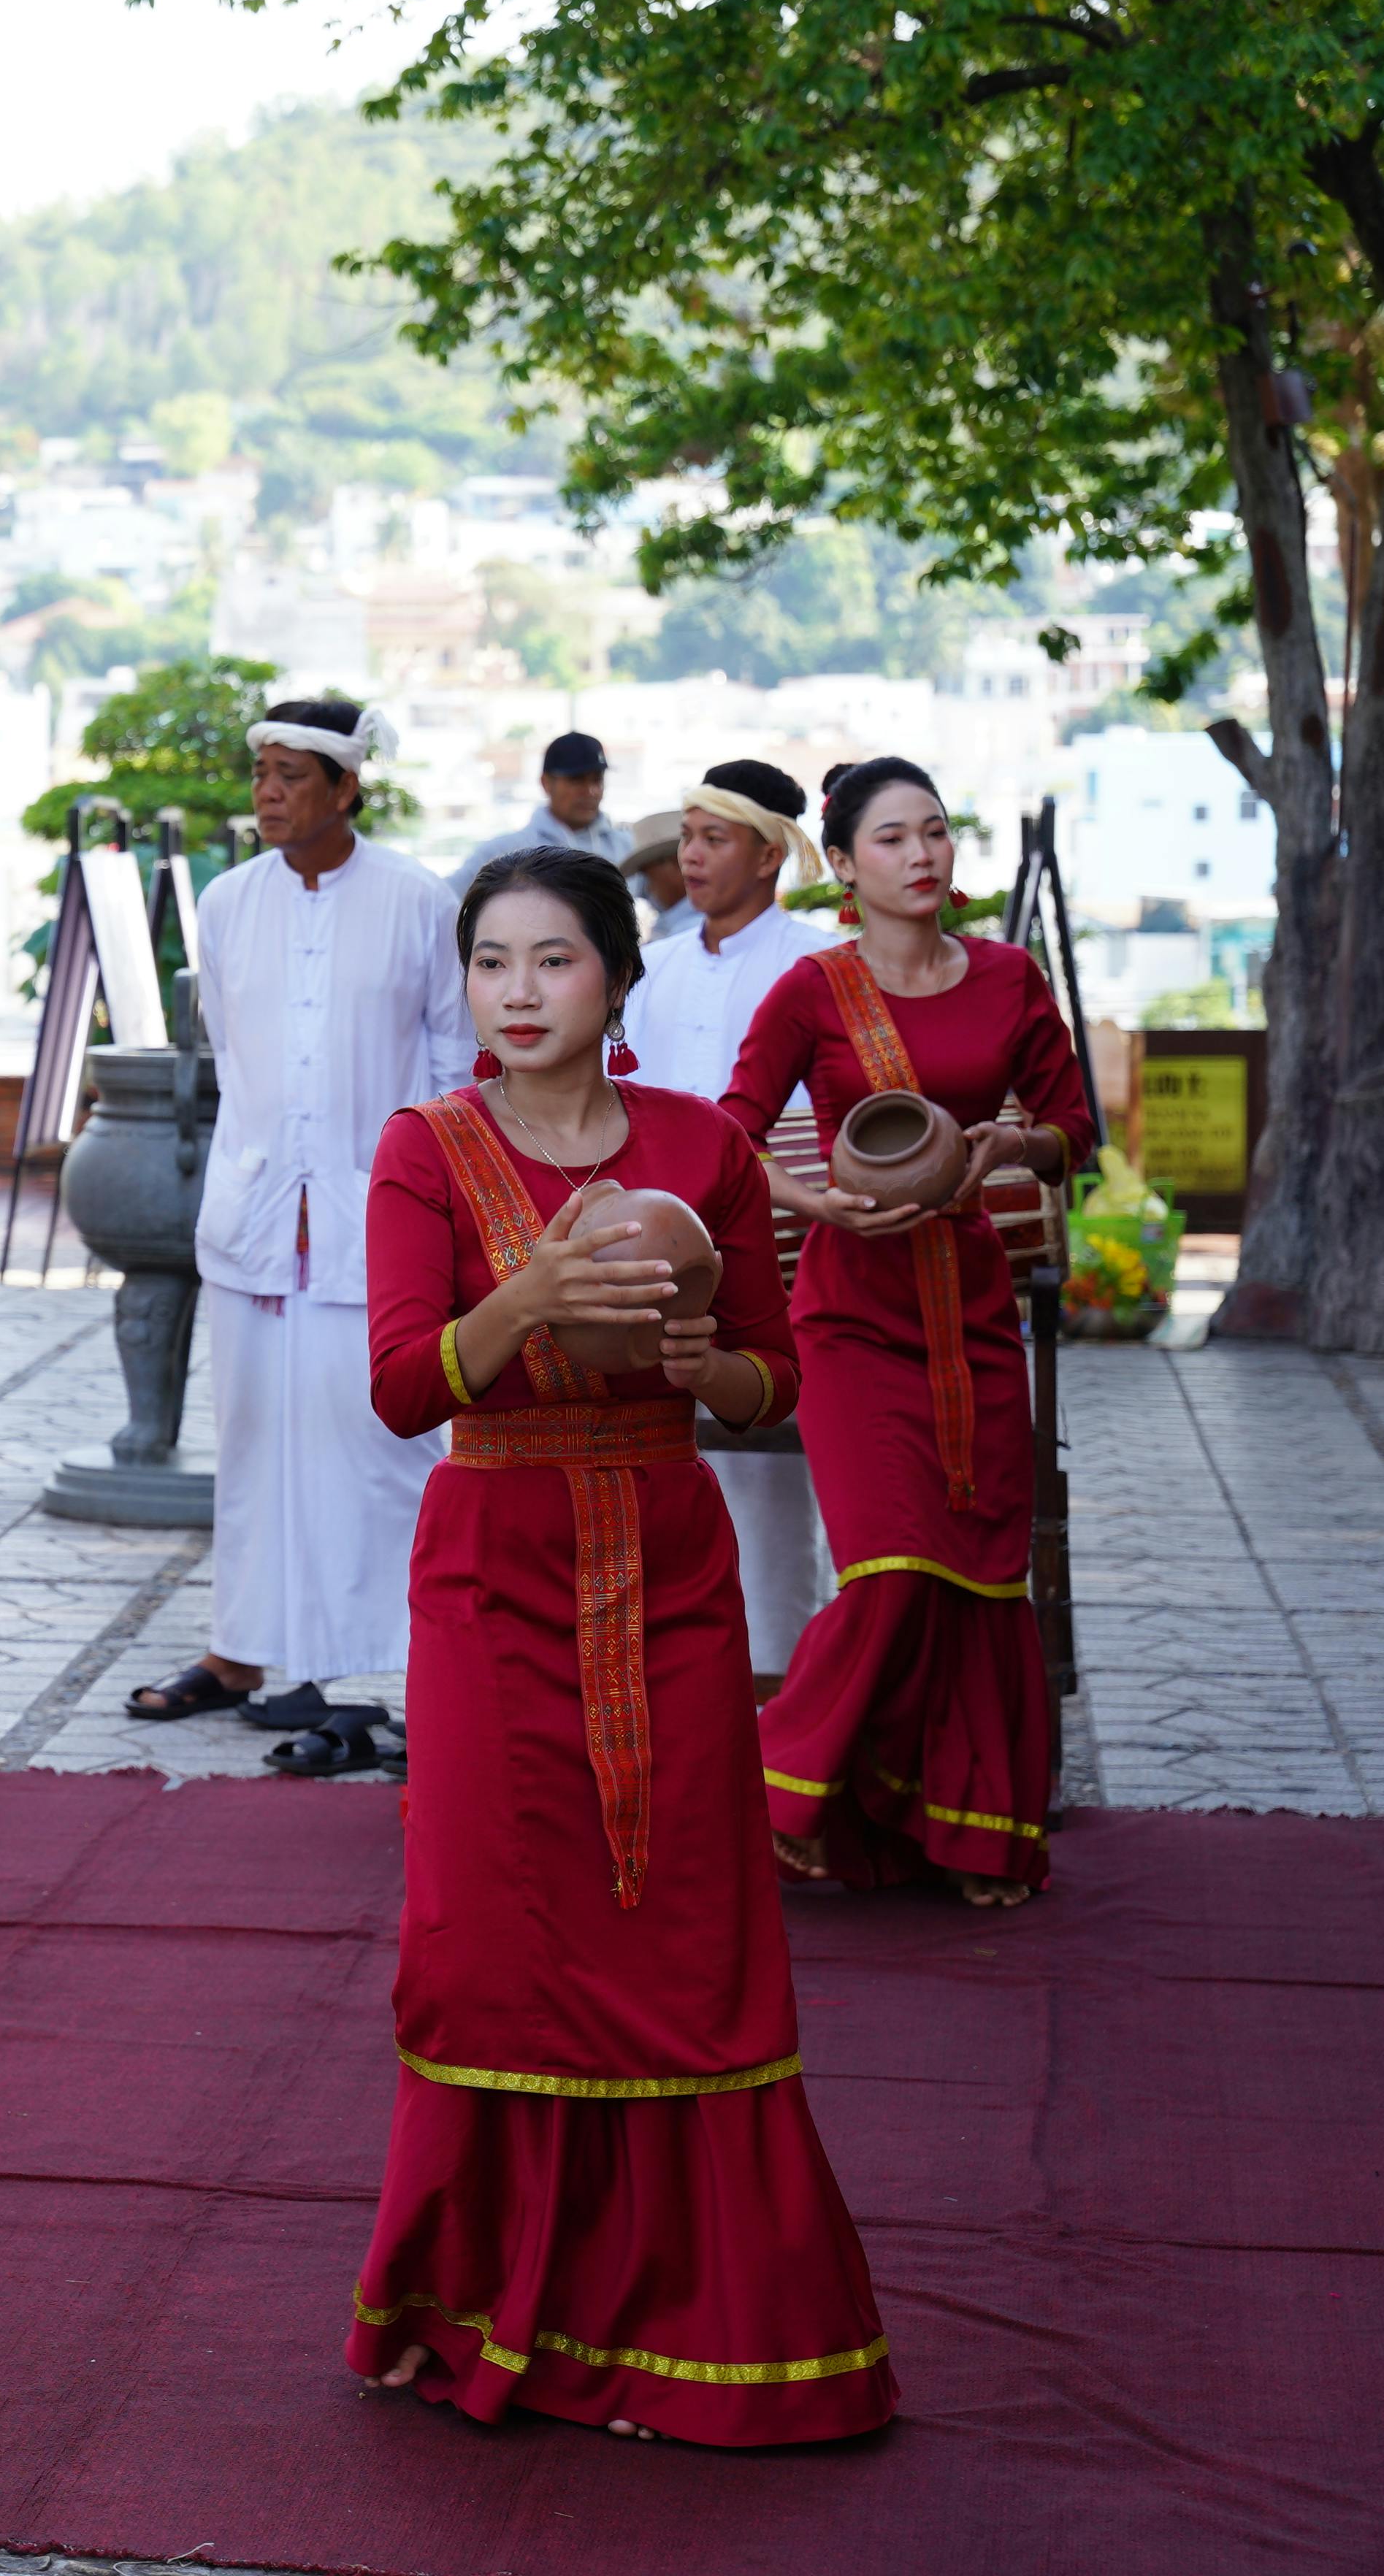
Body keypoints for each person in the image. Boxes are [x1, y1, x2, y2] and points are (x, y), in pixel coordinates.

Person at [346, 843, 894, 2446]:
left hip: (665, 1551)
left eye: (554, 961)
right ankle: (490, 2306)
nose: (517, 993)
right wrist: (528, 1295)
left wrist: (697, 1354)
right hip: (490, 1565)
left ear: (618, 977)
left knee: (690, 1926)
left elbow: (773, 1387)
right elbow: (400, 1383)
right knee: (488, 1937)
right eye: (492, 962)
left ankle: (699, 2326)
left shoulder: (701, 1143)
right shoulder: (423, 1147)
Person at [726, 757, 1093, 1907]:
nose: (922, 854)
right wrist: (814, 1201)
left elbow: (1075, 1123)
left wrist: (1007, 1149)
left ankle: (971, 1828)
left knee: (980, 1581)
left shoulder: (1008, 977)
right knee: (891, 1570)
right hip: (849, 1319)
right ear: (841, 865)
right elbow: (728, 1137)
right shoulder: (810, 993)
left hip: (973, 1311)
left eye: (935, 832)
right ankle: (765, 1788)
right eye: (891, 839)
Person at [124, 699, 456, 1758]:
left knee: (379, 1442)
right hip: (260, 1211)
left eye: (291, 776)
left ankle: (397, 1666)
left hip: (381, 1214)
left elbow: (454, 1064)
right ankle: (240, 1651)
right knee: (255, 1440)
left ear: (346, 789)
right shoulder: (225, 903)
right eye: (261, 772)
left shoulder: (419, 902)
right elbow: (233, 1046)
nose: (267, 793)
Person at [619, 760, 840, 1686]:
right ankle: (664, 1679)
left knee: (772, 1477)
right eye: (689, 837)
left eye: (714, 838)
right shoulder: (653, 967)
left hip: (788, 1256)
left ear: (769, 852)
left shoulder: (821, 963)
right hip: (652, 1263)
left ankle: (782, 1688)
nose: (692, 855)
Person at [452, 729, 625, 895]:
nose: (590, 791)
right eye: (577, 780)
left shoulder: (628, 848)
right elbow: (443, 899)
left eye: (597, 780)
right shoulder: (502, 853)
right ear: (546, 783)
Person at [620, 811, 694, 942]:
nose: (648, 888)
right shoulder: (676, 925)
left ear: (675, 863)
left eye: (648, 875)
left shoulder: (690, 930)